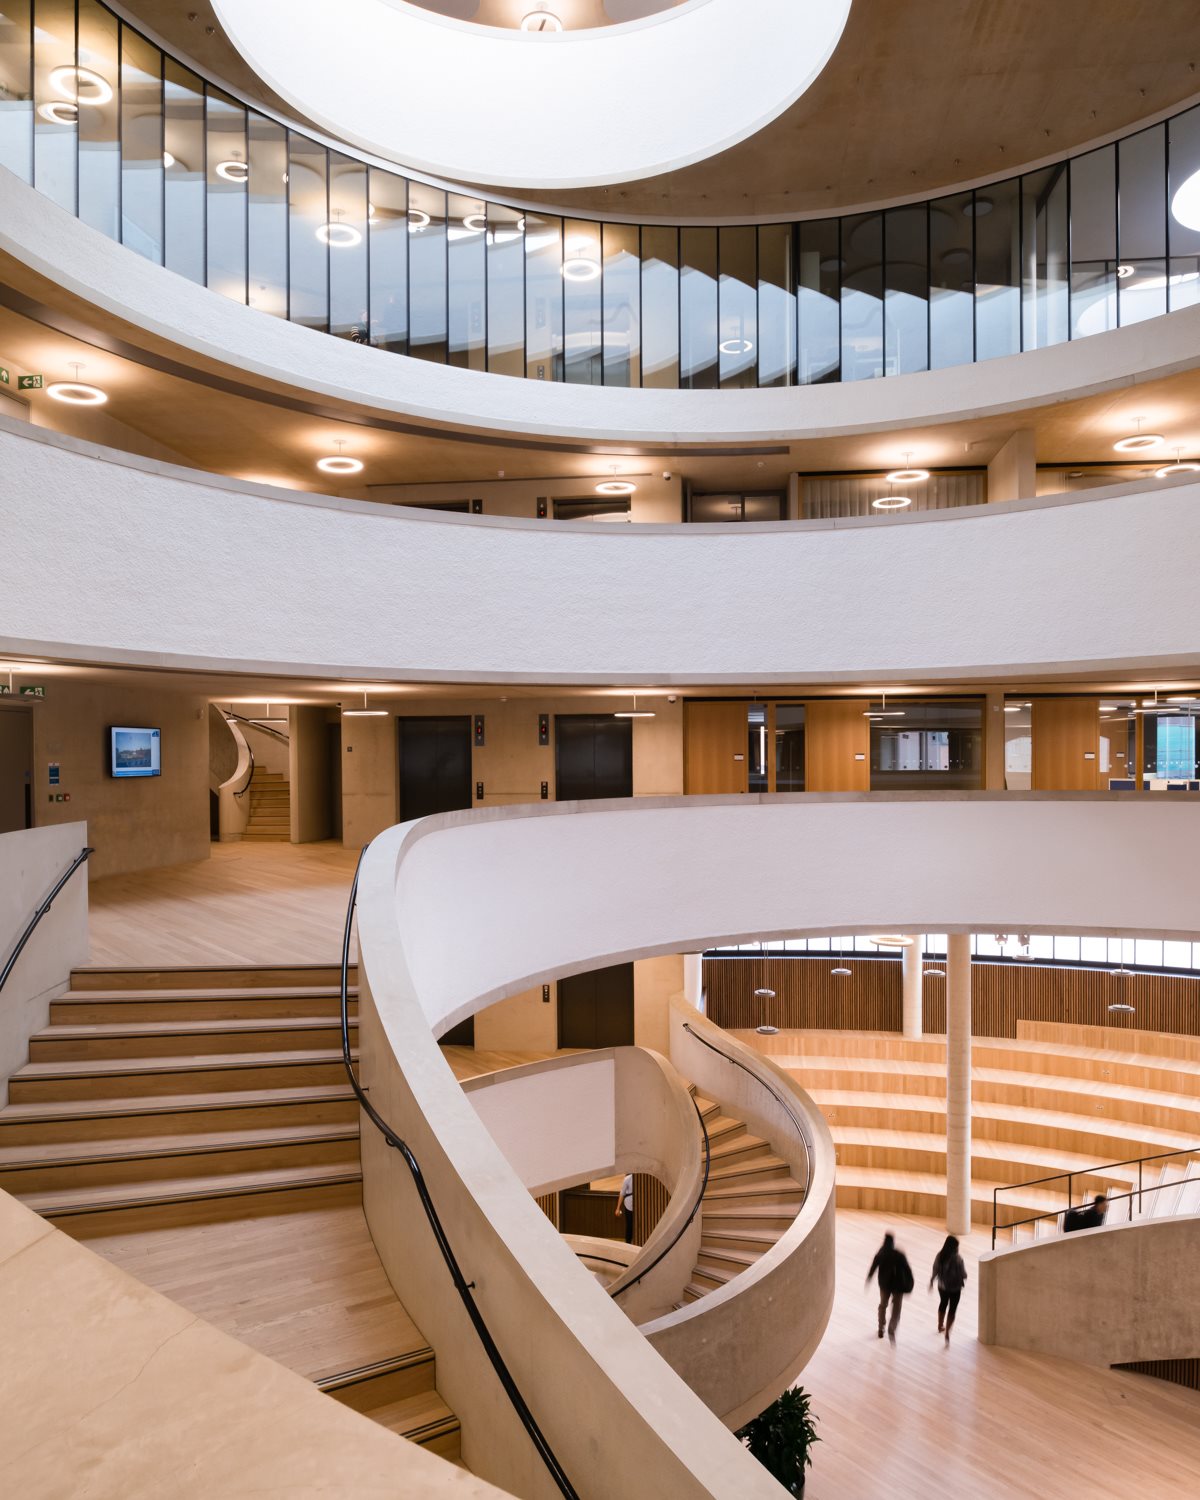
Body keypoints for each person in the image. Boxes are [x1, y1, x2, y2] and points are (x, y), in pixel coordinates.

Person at [865, 1232, 913, 1341]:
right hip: (898, 1286)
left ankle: (881, 1328)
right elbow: (907, 1269)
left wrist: (869, 1278)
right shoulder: (899, 1254)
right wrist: (910, 1283)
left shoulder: (881, 1253)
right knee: (897, 1308)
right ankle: (892, 1327)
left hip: (884, 1284)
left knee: (883, 1305)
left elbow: (873, 1267)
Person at [929, 1235, 968, 1342]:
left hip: (942, 1286)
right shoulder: (958, 1258)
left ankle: (940, 1325)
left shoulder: (940, 1255)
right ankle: (947, 1333)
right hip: (955, 1288)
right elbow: (964, 1274)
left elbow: (935, 1269)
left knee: (943, 1303)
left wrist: (931, 1280)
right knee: (952, 1309)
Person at [614, 1172, 634, 1243]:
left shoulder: (643, 1178)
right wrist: (618, 1208)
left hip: (641, 1205)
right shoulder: (627, 1179)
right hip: (629, 1205)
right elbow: (622, 1193)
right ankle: (628, 1244)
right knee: (629, 1226)